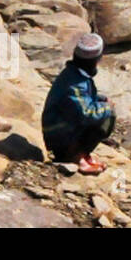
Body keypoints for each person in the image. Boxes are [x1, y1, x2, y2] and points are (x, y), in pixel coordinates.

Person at [41, 33, 115, 175]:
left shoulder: (74, 74)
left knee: (103, 105)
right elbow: (87, 113)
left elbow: (83, 100)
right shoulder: (76, 84)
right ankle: (75, 156)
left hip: (63, 126)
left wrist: (101, 100)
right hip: (59, 134)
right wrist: (107, 107)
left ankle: (83, 154)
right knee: (108, 114)